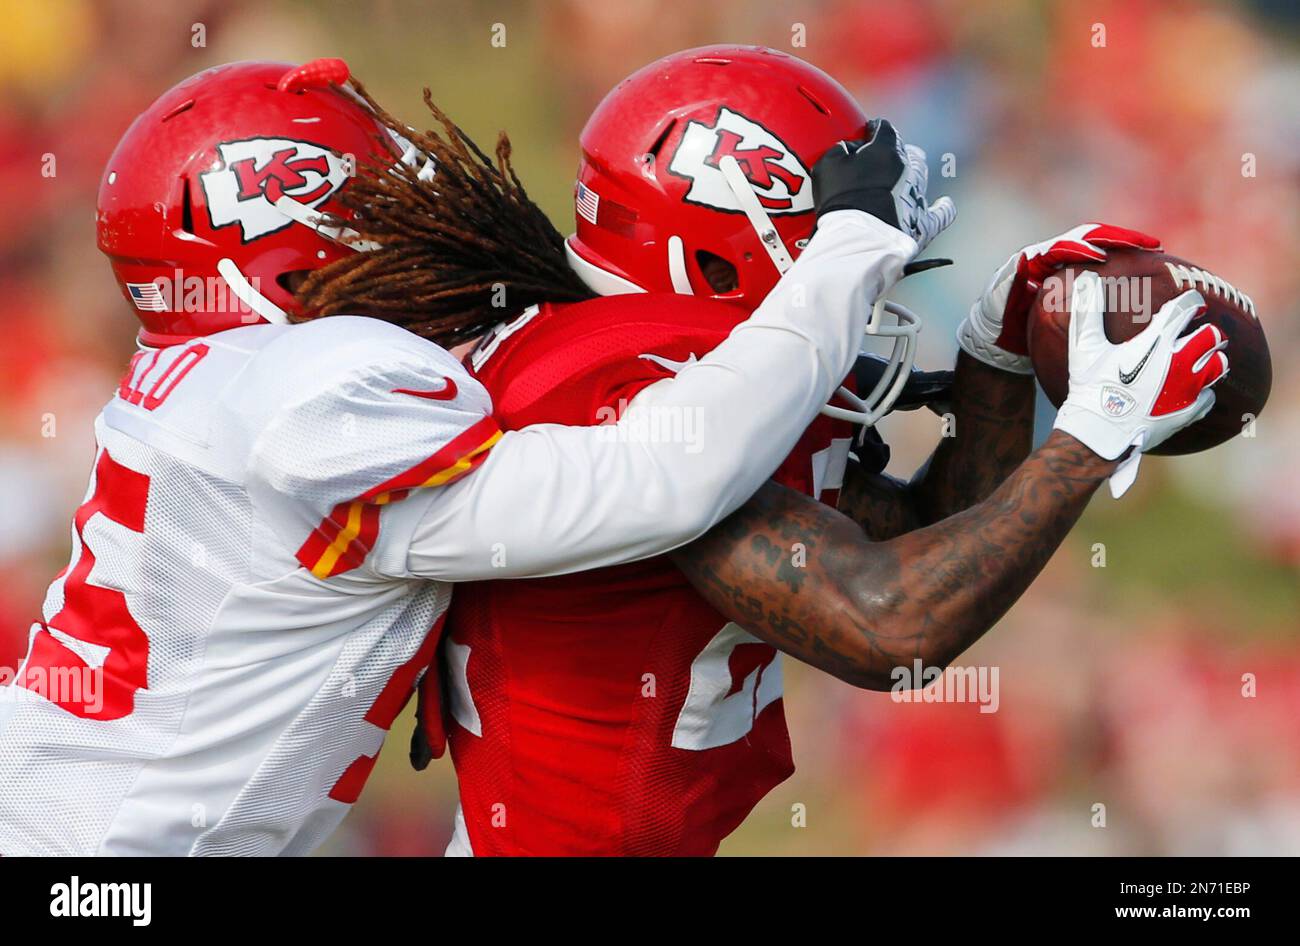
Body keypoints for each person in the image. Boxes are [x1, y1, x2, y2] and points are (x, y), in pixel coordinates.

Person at [0, 57, 952, 856]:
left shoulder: (206, 370)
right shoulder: (315, 388)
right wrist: (843, 252)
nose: (420, 219)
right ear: (288, 259)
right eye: (378, 204)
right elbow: (663, 478)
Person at [305, 46, 1223, 856]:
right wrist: (1089, 438)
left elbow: (916, 537)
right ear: (713, 263)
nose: (865, 299)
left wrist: (996, 350)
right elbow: (892, 628)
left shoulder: (677, 370)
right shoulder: (638, 405)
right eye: (834, 252)